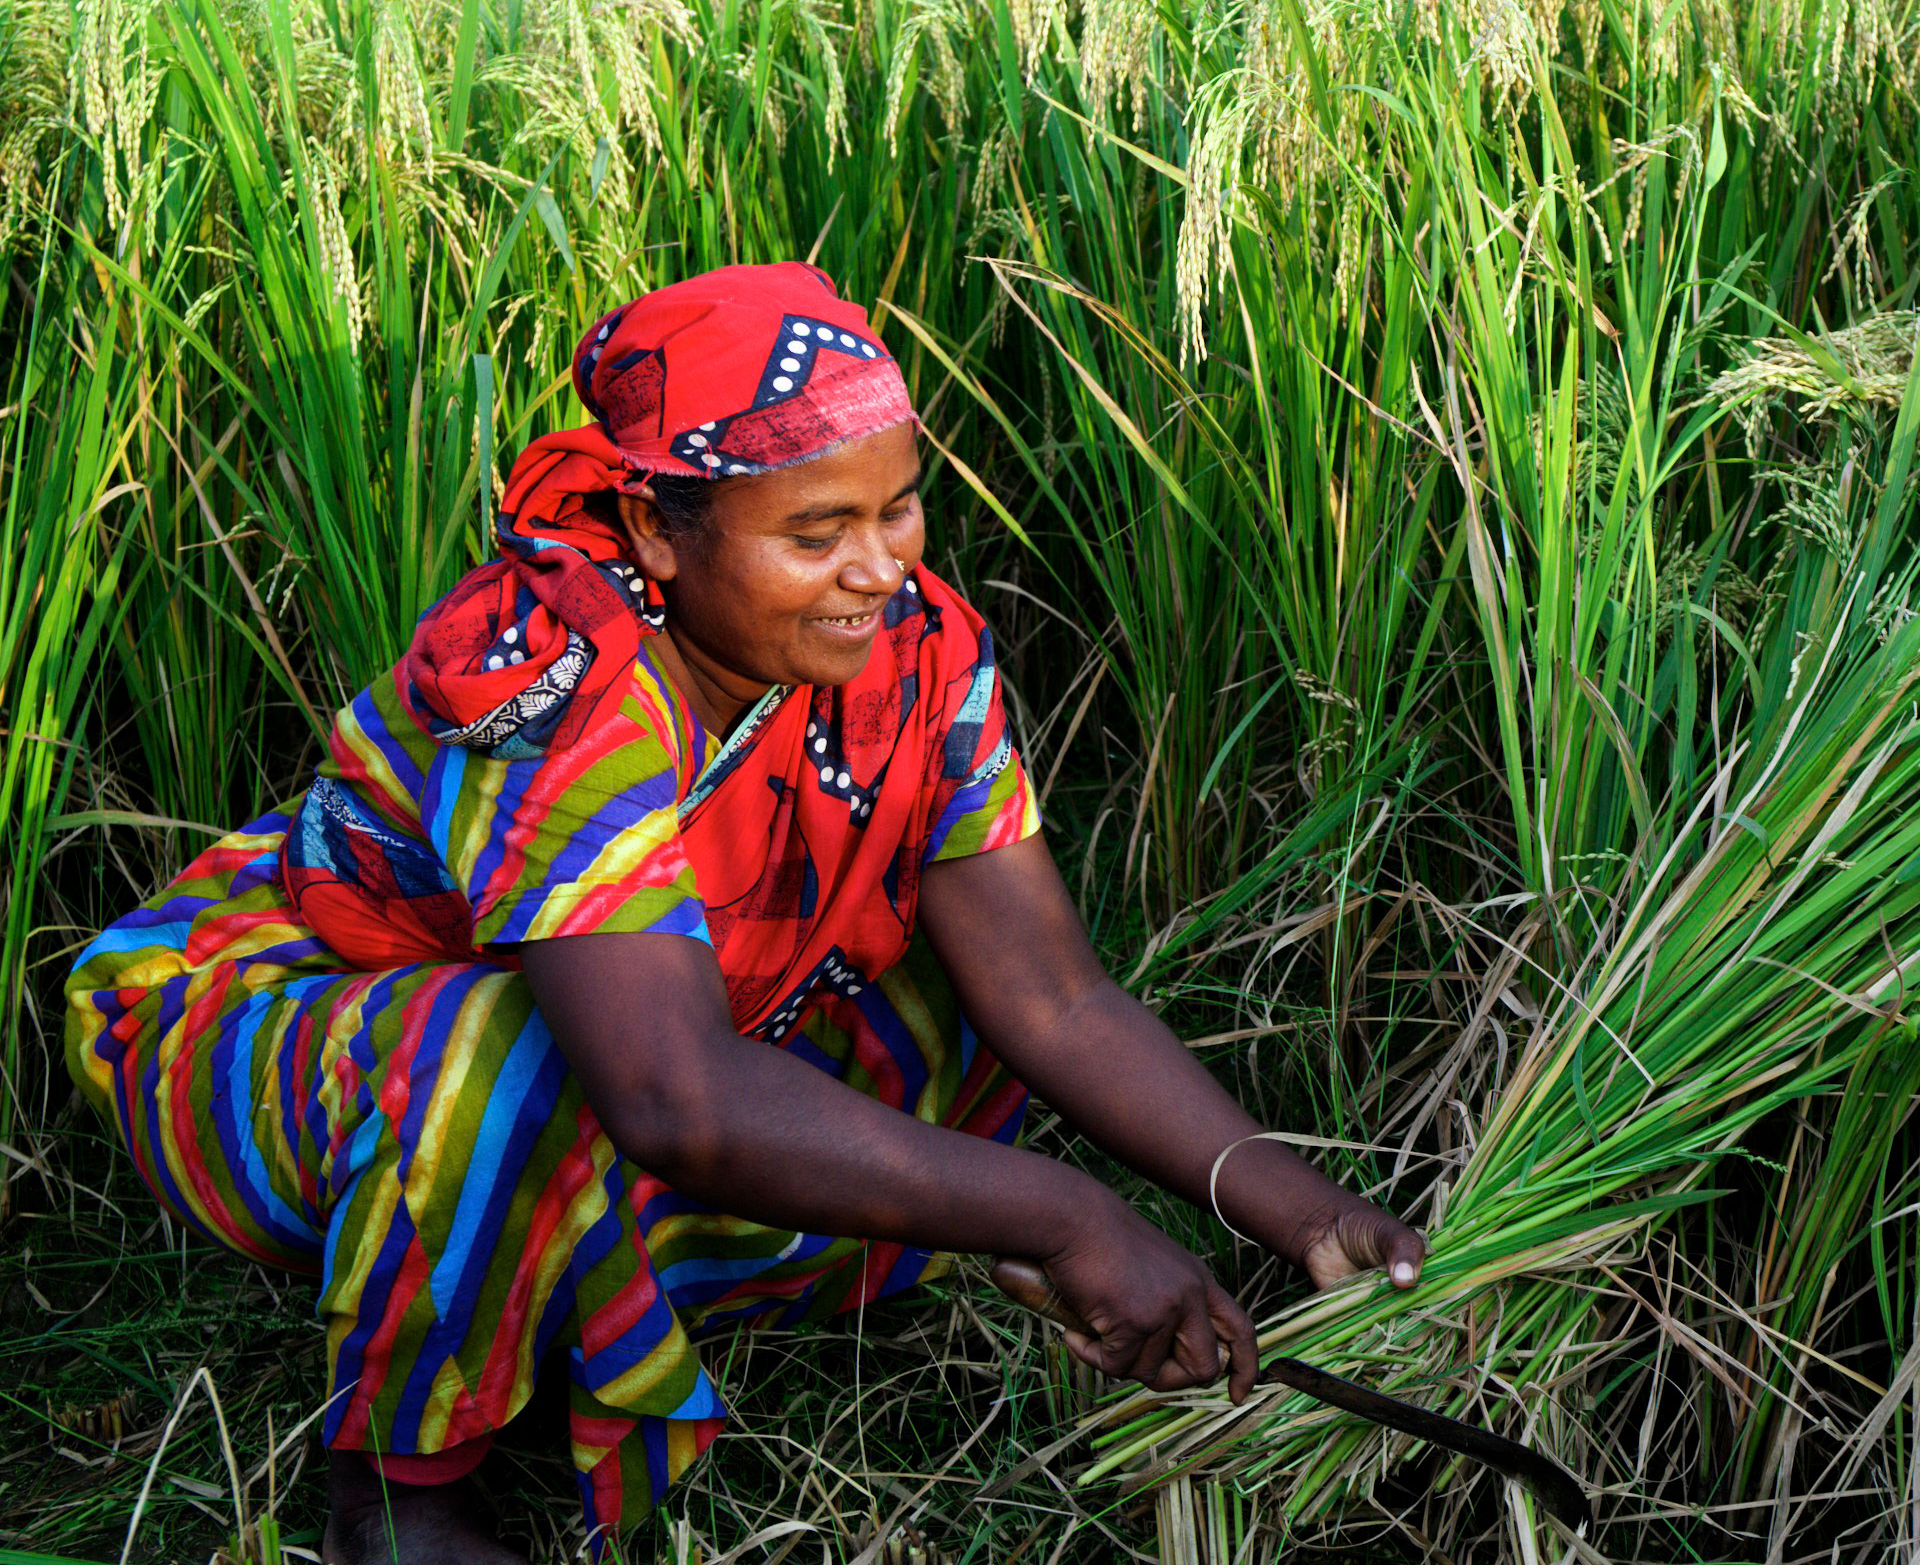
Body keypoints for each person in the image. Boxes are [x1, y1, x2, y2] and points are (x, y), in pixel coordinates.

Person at [66, 263, 1424, 1565]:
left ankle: (576, 1276)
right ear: (661, 527)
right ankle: (398, 1487)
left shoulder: (918, 649)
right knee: (504, 1051)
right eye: (814, 532)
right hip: (270, 1030)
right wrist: (1065, 1217)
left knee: (937, 1006)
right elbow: (675, 1102)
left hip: (664, 1019)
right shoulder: (549, 677)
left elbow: (1050, 995)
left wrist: (1293, 1208)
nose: (878, 566)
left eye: (897, 508)